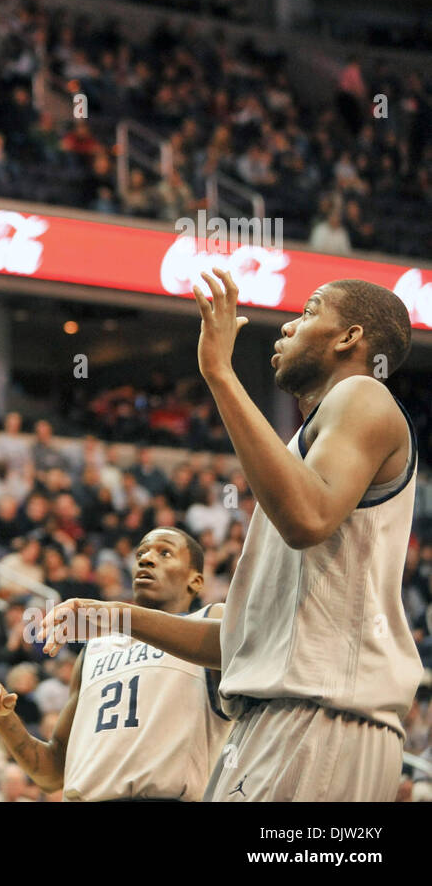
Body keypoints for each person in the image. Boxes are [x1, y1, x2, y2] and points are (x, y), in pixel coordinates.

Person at [41, 274, 422, 802]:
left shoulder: (363, 395)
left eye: (310, 312)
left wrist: (219, 373)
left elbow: (306, 519)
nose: (288, 325)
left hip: (320, 719)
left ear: (348, 337)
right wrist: (117, 616)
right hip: (283, 719)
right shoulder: (306, 449)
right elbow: (240, 646)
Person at [0, 528, 230, 801]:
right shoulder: (95, 649)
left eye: (164, 552)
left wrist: (116, 614)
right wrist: (4, 719)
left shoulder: (213, 619)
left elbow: (224, 644)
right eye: (141, 553)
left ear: (196, 580)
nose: (146, 559)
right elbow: (51, 773)